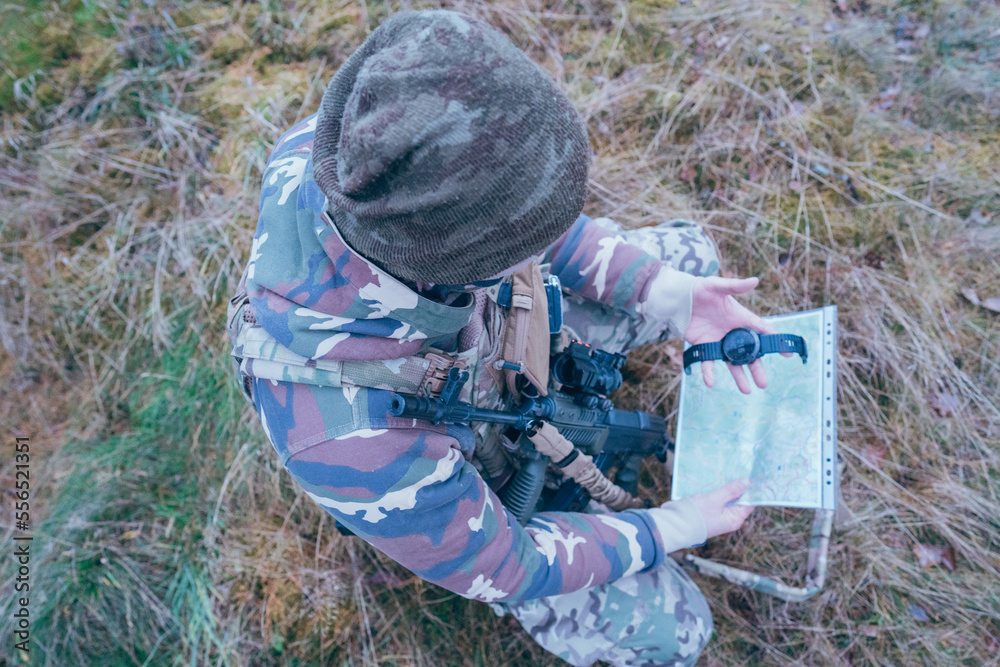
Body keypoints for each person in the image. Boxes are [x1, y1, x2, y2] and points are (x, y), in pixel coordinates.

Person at [226, 10, 781, 666]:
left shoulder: (355, 139)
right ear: (460, 260)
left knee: (688, 260)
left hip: (482, 334)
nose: (545, 240)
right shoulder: (352, 444)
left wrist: (663, 291)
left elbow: (523, 221)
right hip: (452, 457)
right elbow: (513, 562)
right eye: (527, 239)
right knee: (676, 629)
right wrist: (669, 528)